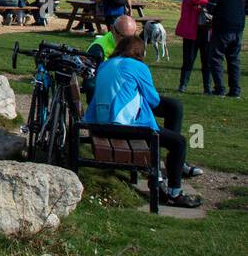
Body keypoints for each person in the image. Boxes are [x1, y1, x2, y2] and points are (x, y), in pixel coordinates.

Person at [85, 35, 203, 208]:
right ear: (139, 52)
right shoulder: (137, 66)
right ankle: (174, 193)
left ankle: (165, 174)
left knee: (173, 107)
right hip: (121, 127)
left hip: (99, 124)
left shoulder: (105, 65)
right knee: (179, 142)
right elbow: (153, 100)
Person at [205, 0, 246, 98]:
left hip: (222, 27)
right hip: (239, 27)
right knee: (234, 59)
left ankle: (219, 89)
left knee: (216, 57)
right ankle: (235, 90)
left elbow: (210, 7)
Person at [175, 0, 213, 94]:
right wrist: (209, 1)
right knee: (188, 60)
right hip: (191, 33)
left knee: (207, 62)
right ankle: (183, 85)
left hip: (206, 33)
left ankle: (207, 87)